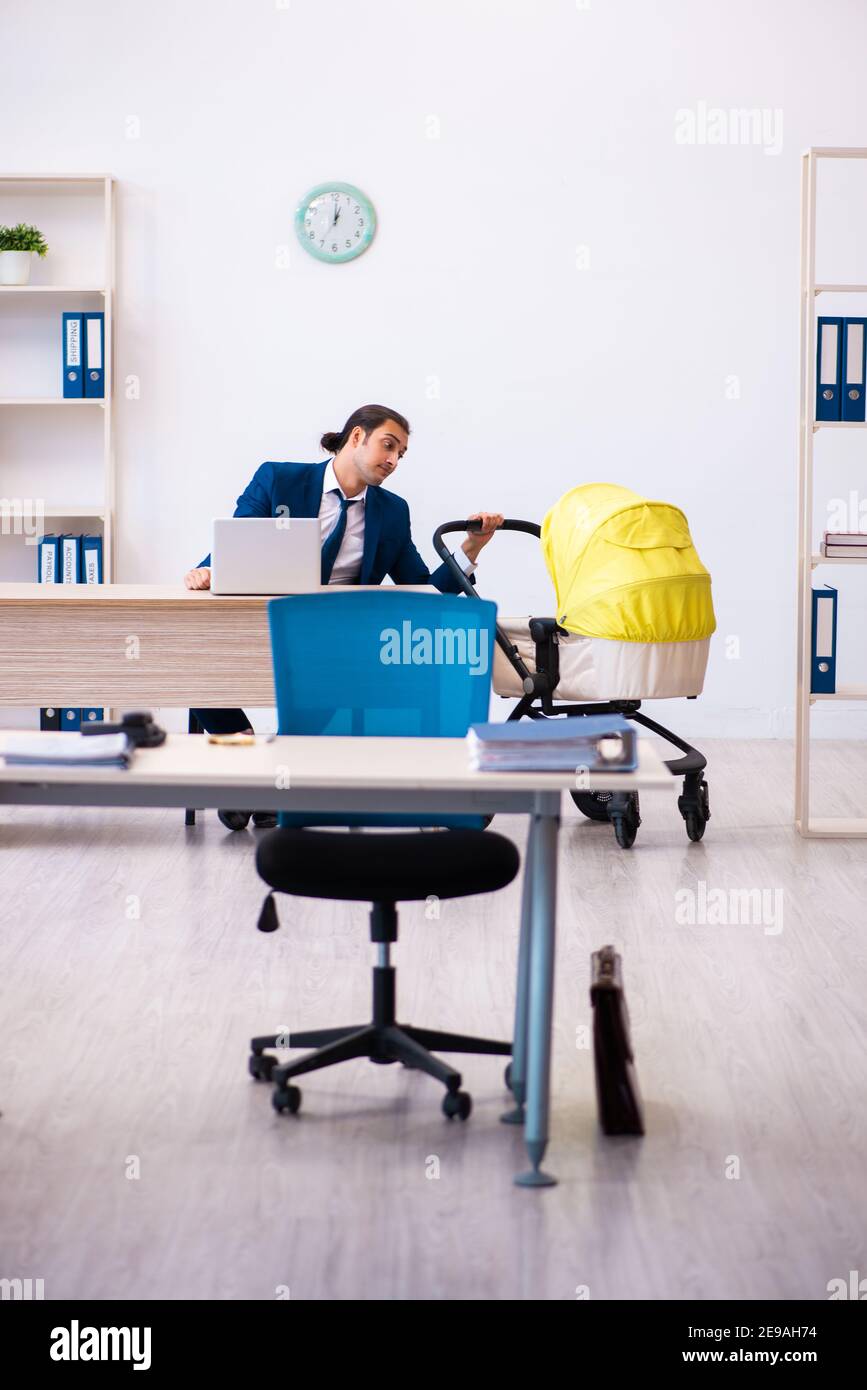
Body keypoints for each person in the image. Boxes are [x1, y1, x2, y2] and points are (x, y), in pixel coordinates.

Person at [184, 403, 503, 830]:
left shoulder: (391, 511)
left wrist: (470, 548)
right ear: (356, 436)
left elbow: (423, 591)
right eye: (388, 446)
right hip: (262, 624)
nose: (393, 461)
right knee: (192, 656)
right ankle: (251, 766)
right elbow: (237, 542)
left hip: (338, 641)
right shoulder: (279, 479)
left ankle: (278, 784)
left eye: (401, 454)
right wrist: (208, 569)